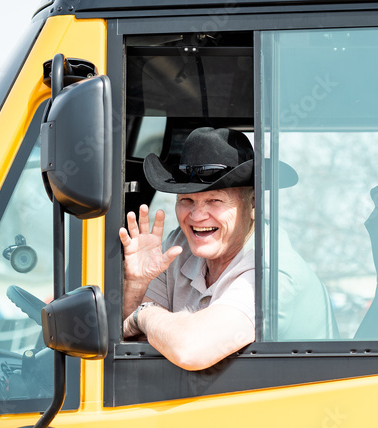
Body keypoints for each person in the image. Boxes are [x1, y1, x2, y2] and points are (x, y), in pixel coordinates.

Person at [121, 126, 335, 371]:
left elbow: (191, 350)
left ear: (253, 204)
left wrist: (145, 315)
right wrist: (136, 283)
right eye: (187, 200)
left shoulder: (272, 272)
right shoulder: (178, 244)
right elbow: (127, 332)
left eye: (215, 200)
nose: (197, 216)